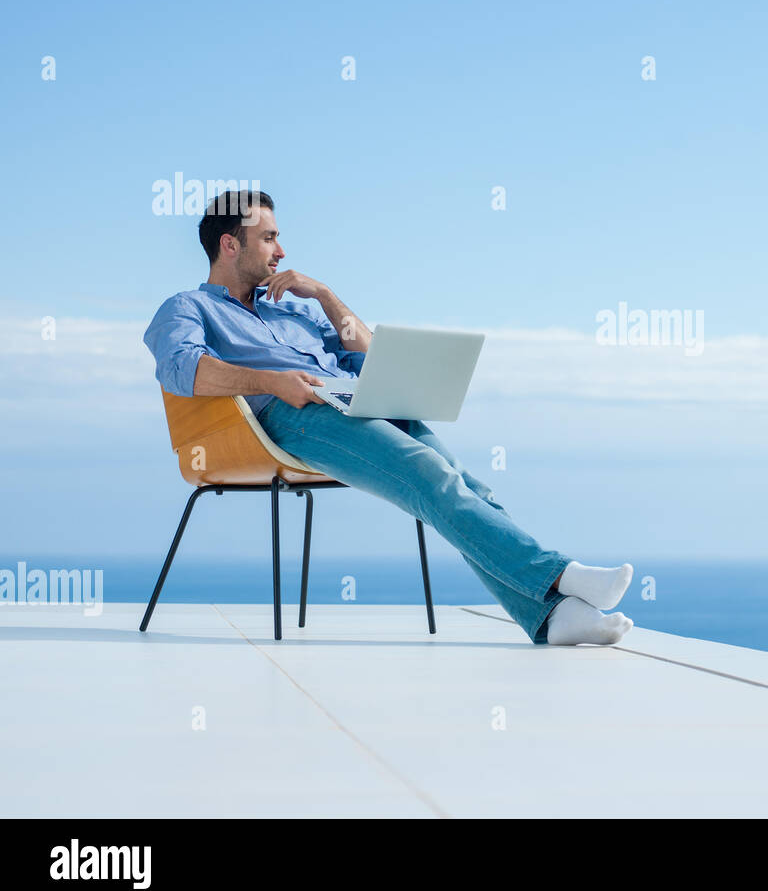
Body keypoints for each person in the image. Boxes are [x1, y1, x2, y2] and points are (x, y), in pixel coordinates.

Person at [142, 189, 634, 646]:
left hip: (354, 402)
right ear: (230, 244)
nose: (282, 251)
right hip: (290, 417)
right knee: (429, 476)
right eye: (269, 237)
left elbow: (372, 358)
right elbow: (182, 369)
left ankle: (548, 619)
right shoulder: (188, 307)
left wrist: (326, 297)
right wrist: (272, 381)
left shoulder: (293, 311)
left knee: (464, 484)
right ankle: (558, 576)